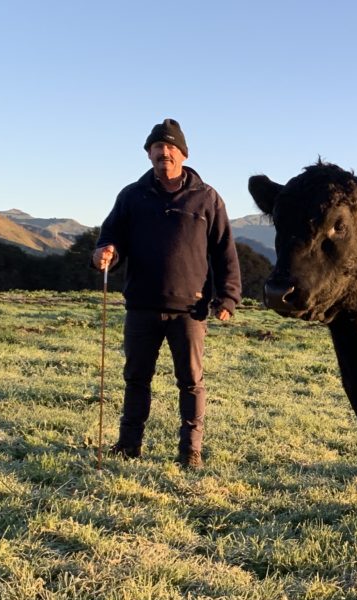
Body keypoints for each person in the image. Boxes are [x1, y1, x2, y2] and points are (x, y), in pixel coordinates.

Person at [92, 118, 241, 468]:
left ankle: (190, 452)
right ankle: (128, 446)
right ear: (149, 155)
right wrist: (104, 252)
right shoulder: (131, 196)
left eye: (171, 148)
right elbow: (110, 238)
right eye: (158, 148)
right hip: (141, 306)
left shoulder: (207, 198)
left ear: (183, 155)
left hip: (190, 309)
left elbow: (224, 250)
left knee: (190, 382)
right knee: (136, 379)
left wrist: (228, 297)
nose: (164, 154)